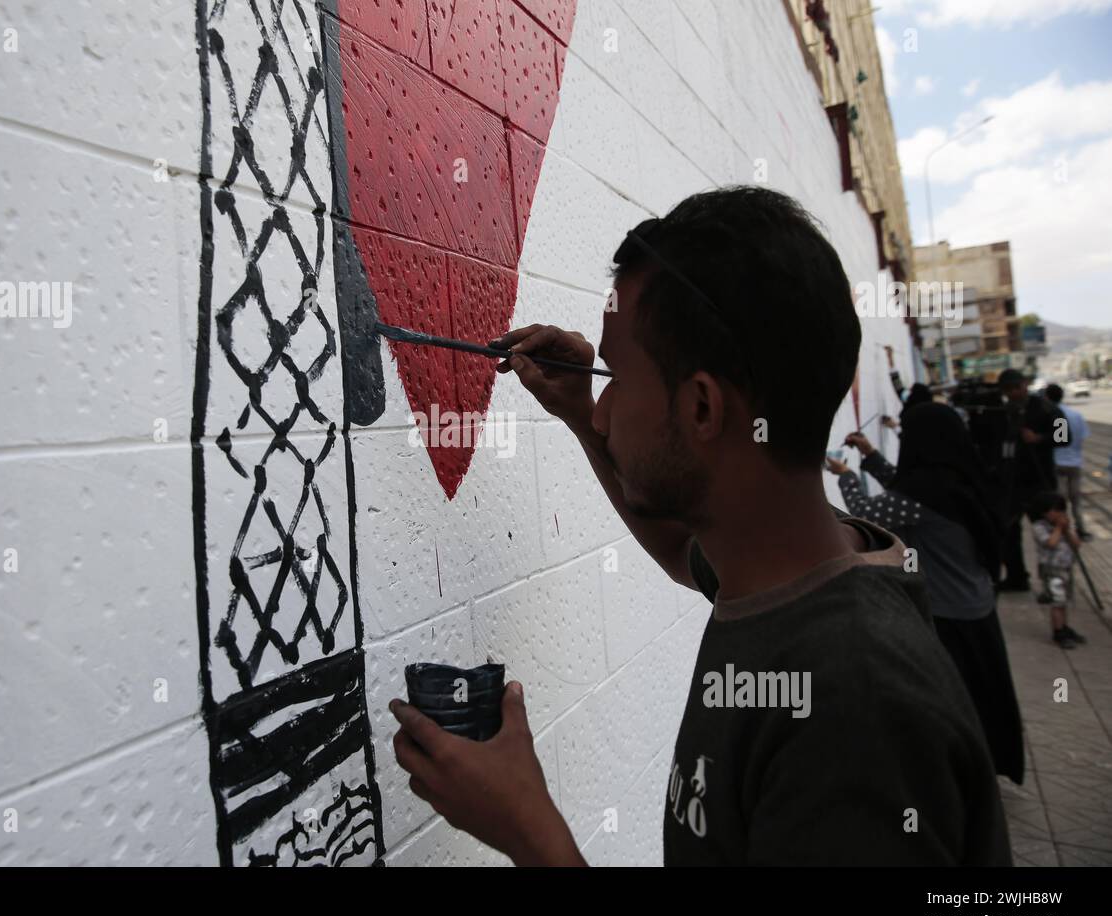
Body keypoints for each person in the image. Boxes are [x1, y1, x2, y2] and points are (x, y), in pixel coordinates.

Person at [387, 186, 1011, 865]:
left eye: (617, 379)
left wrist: (527, 831)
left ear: (704, 408)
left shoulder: (856, 716)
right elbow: (682, 552)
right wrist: (576, 408)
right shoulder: (787, 560)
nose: (603, 411)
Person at [825, 405, 1024, 784]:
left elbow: (867, 513)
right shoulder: (959, 478)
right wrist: (870, 455)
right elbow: (906, 488)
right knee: (985, 697)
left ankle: (957, 780)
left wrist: (846, 474)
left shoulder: (925, 493)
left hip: (949, 618)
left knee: (952, 704)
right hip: (977, 605)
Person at [996, 369, 1060, 591]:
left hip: (1040, 482)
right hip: (1012, 483)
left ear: (1024, 385)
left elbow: (1064, 437)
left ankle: (1054, 583)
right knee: (1008, 533)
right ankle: (1016, 577)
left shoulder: (1046, 408)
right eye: (1008, 390)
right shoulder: (1002, 411)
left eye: (1016, 387)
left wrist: (1039, 438)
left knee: (1047, 532)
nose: (1013, 393)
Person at [1029, 492, 1087, 649]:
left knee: (1064, 601)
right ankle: (1057, 632)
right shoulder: (1039, 527)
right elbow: (1051, 543)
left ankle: (1064, 627)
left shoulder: (1065, 525)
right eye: (1056, 511)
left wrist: (1067, 530)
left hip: (1066, 568)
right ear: (1045, 512)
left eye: (1062, 510)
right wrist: (1059, 528)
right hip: (1051, 569)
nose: (1060, 514)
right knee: (1057, 601)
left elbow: (1076, 544)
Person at [1045, 384, 1091, 540]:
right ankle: (1081, 529)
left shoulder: (1055, 414)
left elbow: (1060, 440)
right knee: (1076, 500)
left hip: (1058, 462)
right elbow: (1082, 437)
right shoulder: (1075, 414)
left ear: (1047, 397)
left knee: (1060, 500)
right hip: (1075, 463)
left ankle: (1064, 531)